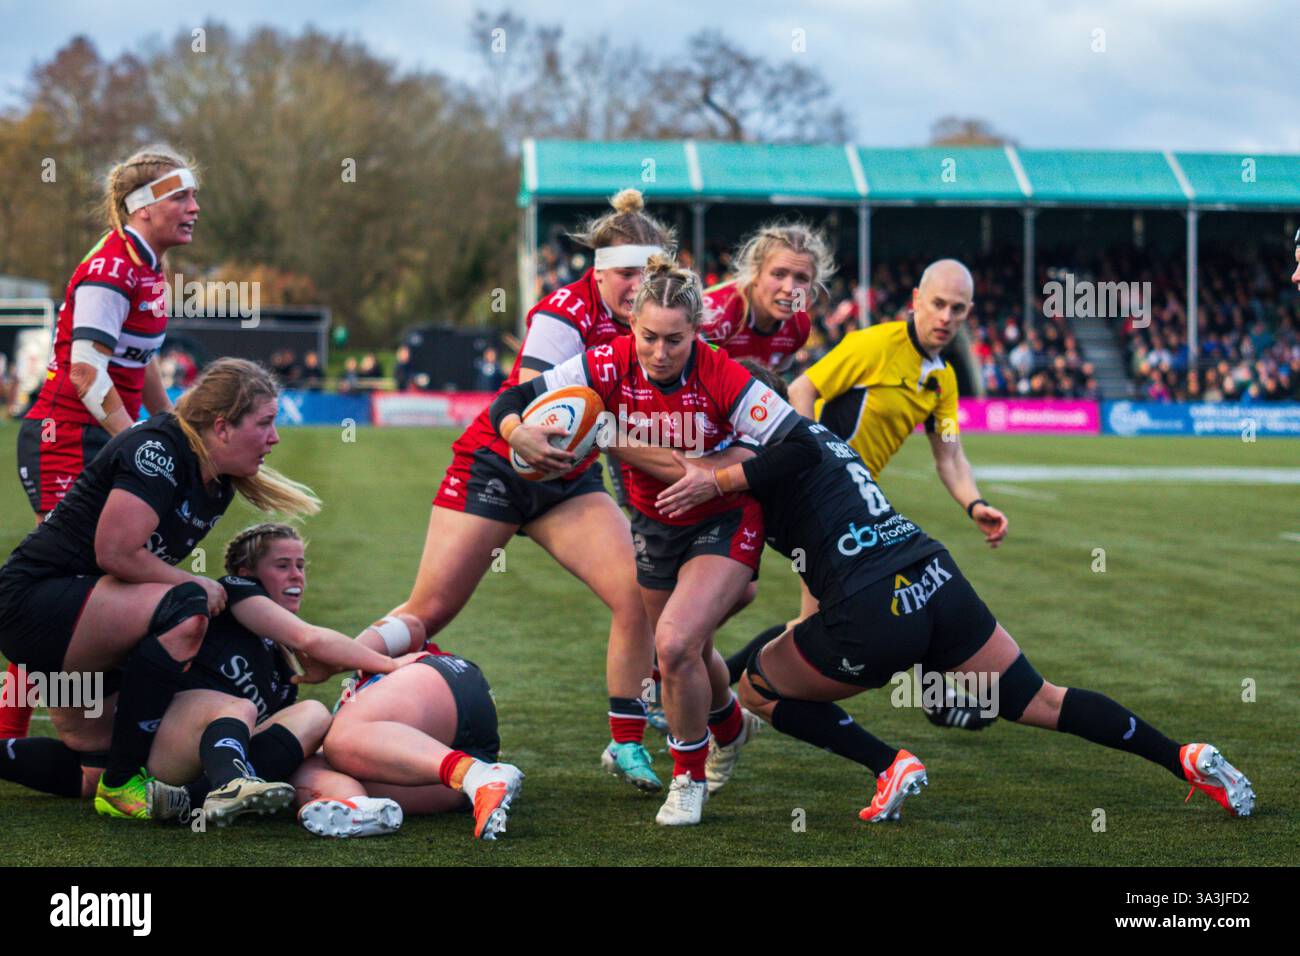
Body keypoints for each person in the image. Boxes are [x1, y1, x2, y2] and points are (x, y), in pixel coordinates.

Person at [663, 365, 1255, 821]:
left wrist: (611, 435)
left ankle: (889, 764)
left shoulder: (747, 452)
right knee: (1042, 699)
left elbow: (711, 515)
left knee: (757, 686)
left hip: (872, 605)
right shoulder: (814, 434)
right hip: (933, 572)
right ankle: (1186, 758)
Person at [490, 255, 820, 826]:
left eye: (674, 339)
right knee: (687, 652)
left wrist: (713, 481)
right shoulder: (606, 362)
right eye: (649, 337)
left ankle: (687, 778)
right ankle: (731, 727)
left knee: (671, 645)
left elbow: (801, 446)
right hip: (651, 523)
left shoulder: (721, 373)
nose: (660, 353)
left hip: (724, 521)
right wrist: (521, 434)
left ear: (697, 332)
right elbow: (510, 401)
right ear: (632, 328)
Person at [392, 189, 678, 794]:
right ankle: (347, 680)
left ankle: (625, 744)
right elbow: (528, 401)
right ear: (598, 270)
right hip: (497, 465)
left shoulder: (655, 324)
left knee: (637, 593)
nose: (636, 285)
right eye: (626, 272)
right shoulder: (564, 312)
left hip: (567, 480)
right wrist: (529, 437)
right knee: (429, 612)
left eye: (648, 272)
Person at [0, 358, 320, 819]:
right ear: (222, 427)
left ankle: (109, 776)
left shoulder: (218, 483)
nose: (275, 437)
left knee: (92, 766)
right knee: (187, 607)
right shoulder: (160, 450)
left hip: (83, 624)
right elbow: (116, 552)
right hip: (36, 606)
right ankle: (123, 784)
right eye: (265, 423)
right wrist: (194, 582)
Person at [726, 258, 1010, 732]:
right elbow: (802, 386)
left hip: (860, 511)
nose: (945, 317)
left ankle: (709, 682)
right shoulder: (874, 344)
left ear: (968, 313)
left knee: (895, 601)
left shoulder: (943, 378)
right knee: (821, 624)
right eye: (937, 304)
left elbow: (950, 456)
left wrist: (974, 504)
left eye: (957, 309)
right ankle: (709, 685)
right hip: (822, 508)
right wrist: (812, 459)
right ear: (916, 300)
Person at [1, 523, 409, 827]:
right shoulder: (234, 595)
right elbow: (311, 638)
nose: (296, 576)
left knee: (312, 716)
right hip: (127, 716)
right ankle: (226, 787)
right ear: (246, 572)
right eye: (282, 565)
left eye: (300, 566)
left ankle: (185, 798)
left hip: (162, 751)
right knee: (247, 707)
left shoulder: (286, 676)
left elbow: (277, 739)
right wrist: (393, 664)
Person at [3, 145, 201, 740]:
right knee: (67, 586)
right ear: (142, 208)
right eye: (181, 198)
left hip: (99, 440)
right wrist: (144, 446)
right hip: (65, 440)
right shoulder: (112, 267)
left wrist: (176, 432)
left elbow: (140, 363)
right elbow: (88, 375)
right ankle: (16, 730)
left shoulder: (148, 265)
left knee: (102, 581)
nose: (195, 208)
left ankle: (77, 719)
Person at [291, 638, 524, 841]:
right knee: (313, 765)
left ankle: (473, 773)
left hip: (438, 681)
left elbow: (410, 623)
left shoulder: (259, 608)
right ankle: (359, 807)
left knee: (339, 742)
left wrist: (356, 657)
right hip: (445, 756)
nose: (297, 583)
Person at [699, 223, 834, 372]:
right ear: (755, 274)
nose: (789, 289)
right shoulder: (712, 315)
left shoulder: (799, 326)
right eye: (778, 274)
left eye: (802, 278)